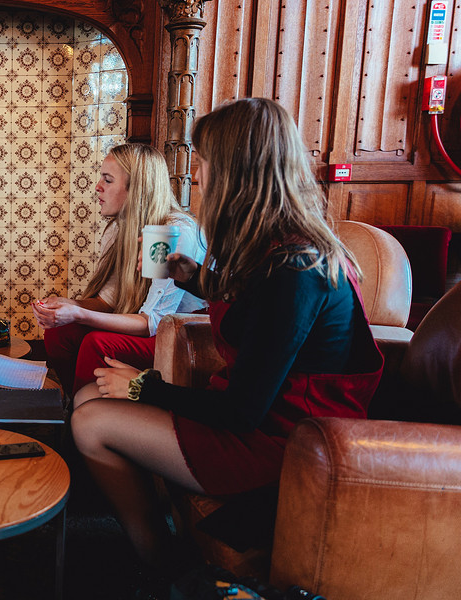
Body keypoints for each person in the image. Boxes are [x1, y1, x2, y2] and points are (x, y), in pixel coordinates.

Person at [71, 98, 384, 572]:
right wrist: (185, 273)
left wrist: (142, 386)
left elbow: (242, 413)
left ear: (237, 173)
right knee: (90, 396)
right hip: (266, 424)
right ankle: (156, 535)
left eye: (204, 164)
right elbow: (248, 308)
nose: (197, 176)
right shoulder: (276, 251)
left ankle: (158, 564)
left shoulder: (297, 271)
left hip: (287, 444)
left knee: (90, 421)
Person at [33, 143, 206, 400]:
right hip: (148, 323)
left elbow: (153, 323)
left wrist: (79, 313)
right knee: (61, 332)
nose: (97, 187)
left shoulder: (174, 233)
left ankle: (87, 413)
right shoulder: (118, 229)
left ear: (136, 188)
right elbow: (108, 301)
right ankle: (73, 402)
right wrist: (66, 307)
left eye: (108, 179)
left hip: (182, 334)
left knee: (97, 342)